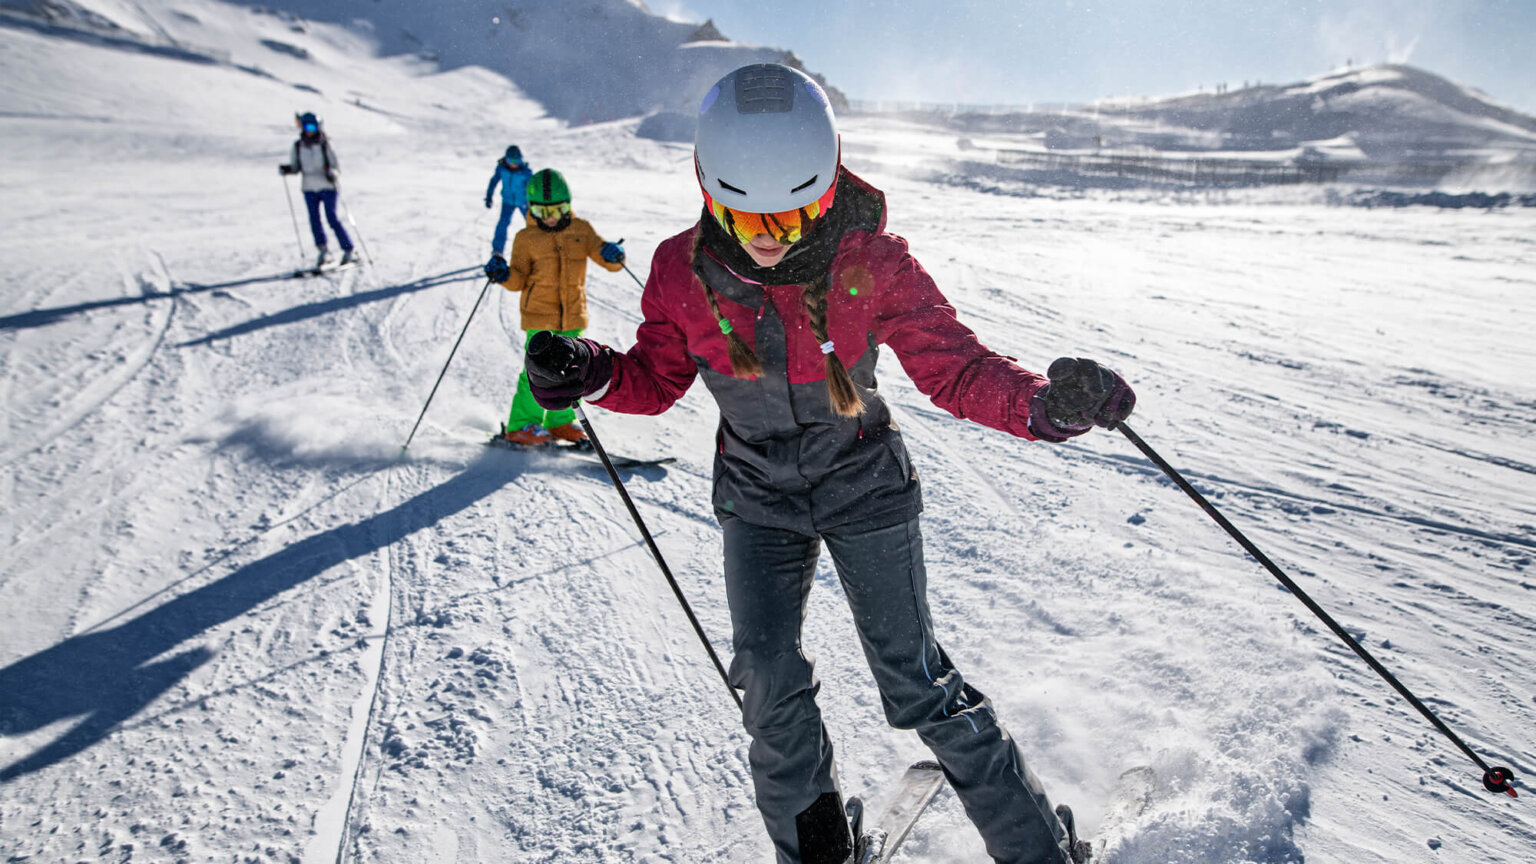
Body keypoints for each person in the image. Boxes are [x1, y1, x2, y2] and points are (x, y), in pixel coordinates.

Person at [521, 64, 1134, 864]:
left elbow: (955, 367)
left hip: (864, 484)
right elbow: (656, 380)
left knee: (915, 681)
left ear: (831, 181)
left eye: (798, 210)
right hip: (757, 495)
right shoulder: (681, 272)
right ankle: (815, 847)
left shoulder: (873, 261)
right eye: (744, 216)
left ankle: (1036, 849)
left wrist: (1047, 408)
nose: (772, 234)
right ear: (709, 190)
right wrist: (591, 370)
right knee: (768, 680)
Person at [484, 168, 626, 447]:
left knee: (573, 372)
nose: (550, 216)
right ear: (531, 208)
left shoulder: (581, 229)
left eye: (558, 209)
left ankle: (559, 423)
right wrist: (503, 275)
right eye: (541, 210)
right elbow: (517, 280)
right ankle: (521, 426)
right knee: (536, 375)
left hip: (573, 315)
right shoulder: (526, 238)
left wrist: (614, 255)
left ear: (568, 205)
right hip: (539, 316)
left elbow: (606, 258)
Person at [278, 112, 356, 269]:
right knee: (314, 219)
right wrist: (287, 169)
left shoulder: (325, 145)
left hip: (327, 186)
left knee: (332, 218)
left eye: (313, 127)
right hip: (309, 187)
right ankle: (323, 251)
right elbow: (296, 167)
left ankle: (348, 249)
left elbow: (335, 166)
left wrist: (332, 173)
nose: (309, 130)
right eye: (306, 126)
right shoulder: (298, 146)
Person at [485, 144, 533, 263]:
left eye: (516, 161)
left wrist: (535, 203)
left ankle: (537, 251)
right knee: (503, 224)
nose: (513, 163)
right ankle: (497, 251)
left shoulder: (526, 173)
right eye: (510, 160)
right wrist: (489, 196)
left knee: (532, 226)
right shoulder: (502, 168)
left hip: (524, 203)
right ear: (505, 159)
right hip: (507, 202)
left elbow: (533, 189)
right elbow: (494, 181)